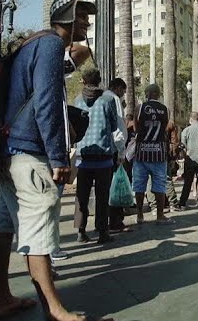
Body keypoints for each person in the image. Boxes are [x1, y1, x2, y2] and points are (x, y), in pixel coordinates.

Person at [0, 0, 94, 321]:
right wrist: (57, 156)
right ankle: (53, 309)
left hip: (9, 151)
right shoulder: (49, 46)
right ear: (66, 20)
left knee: (3, 224)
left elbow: (71, 63)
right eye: (81, 18)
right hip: (30, 154)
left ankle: (2, 297)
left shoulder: (32, 47)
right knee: (38, 232)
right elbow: (47, 103)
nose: (87, 23)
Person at [71, 67, 120, 244]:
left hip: (83, 156)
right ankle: (102, 232)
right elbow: (114, 126)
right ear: (99, 81)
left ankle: (81, 231)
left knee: (81, 196)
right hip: (103, 156)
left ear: (83, 81)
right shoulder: (107, 100)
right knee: (102, 195)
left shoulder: (76, 100)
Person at [132, 83, 174, 226]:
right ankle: (160, 215)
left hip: (141, 152)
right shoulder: (166, 110)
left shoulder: (140, 108)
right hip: (159, 153)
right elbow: (167, 127)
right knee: (159, 184)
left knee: (139, 185)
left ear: (147, 94)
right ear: (158, 94)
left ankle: (139, 215)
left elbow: (136, 129)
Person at [105, 78, 132, 234]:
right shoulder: (113, 99)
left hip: (104, 148)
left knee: (106, 186)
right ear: (117, 88)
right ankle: (116, 221)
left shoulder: (101, 98)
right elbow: (119, 128)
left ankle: (104, 221)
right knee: (116, 185)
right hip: (115, 149)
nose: (123, 94)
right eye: (123, 90)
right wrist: (121, 151)